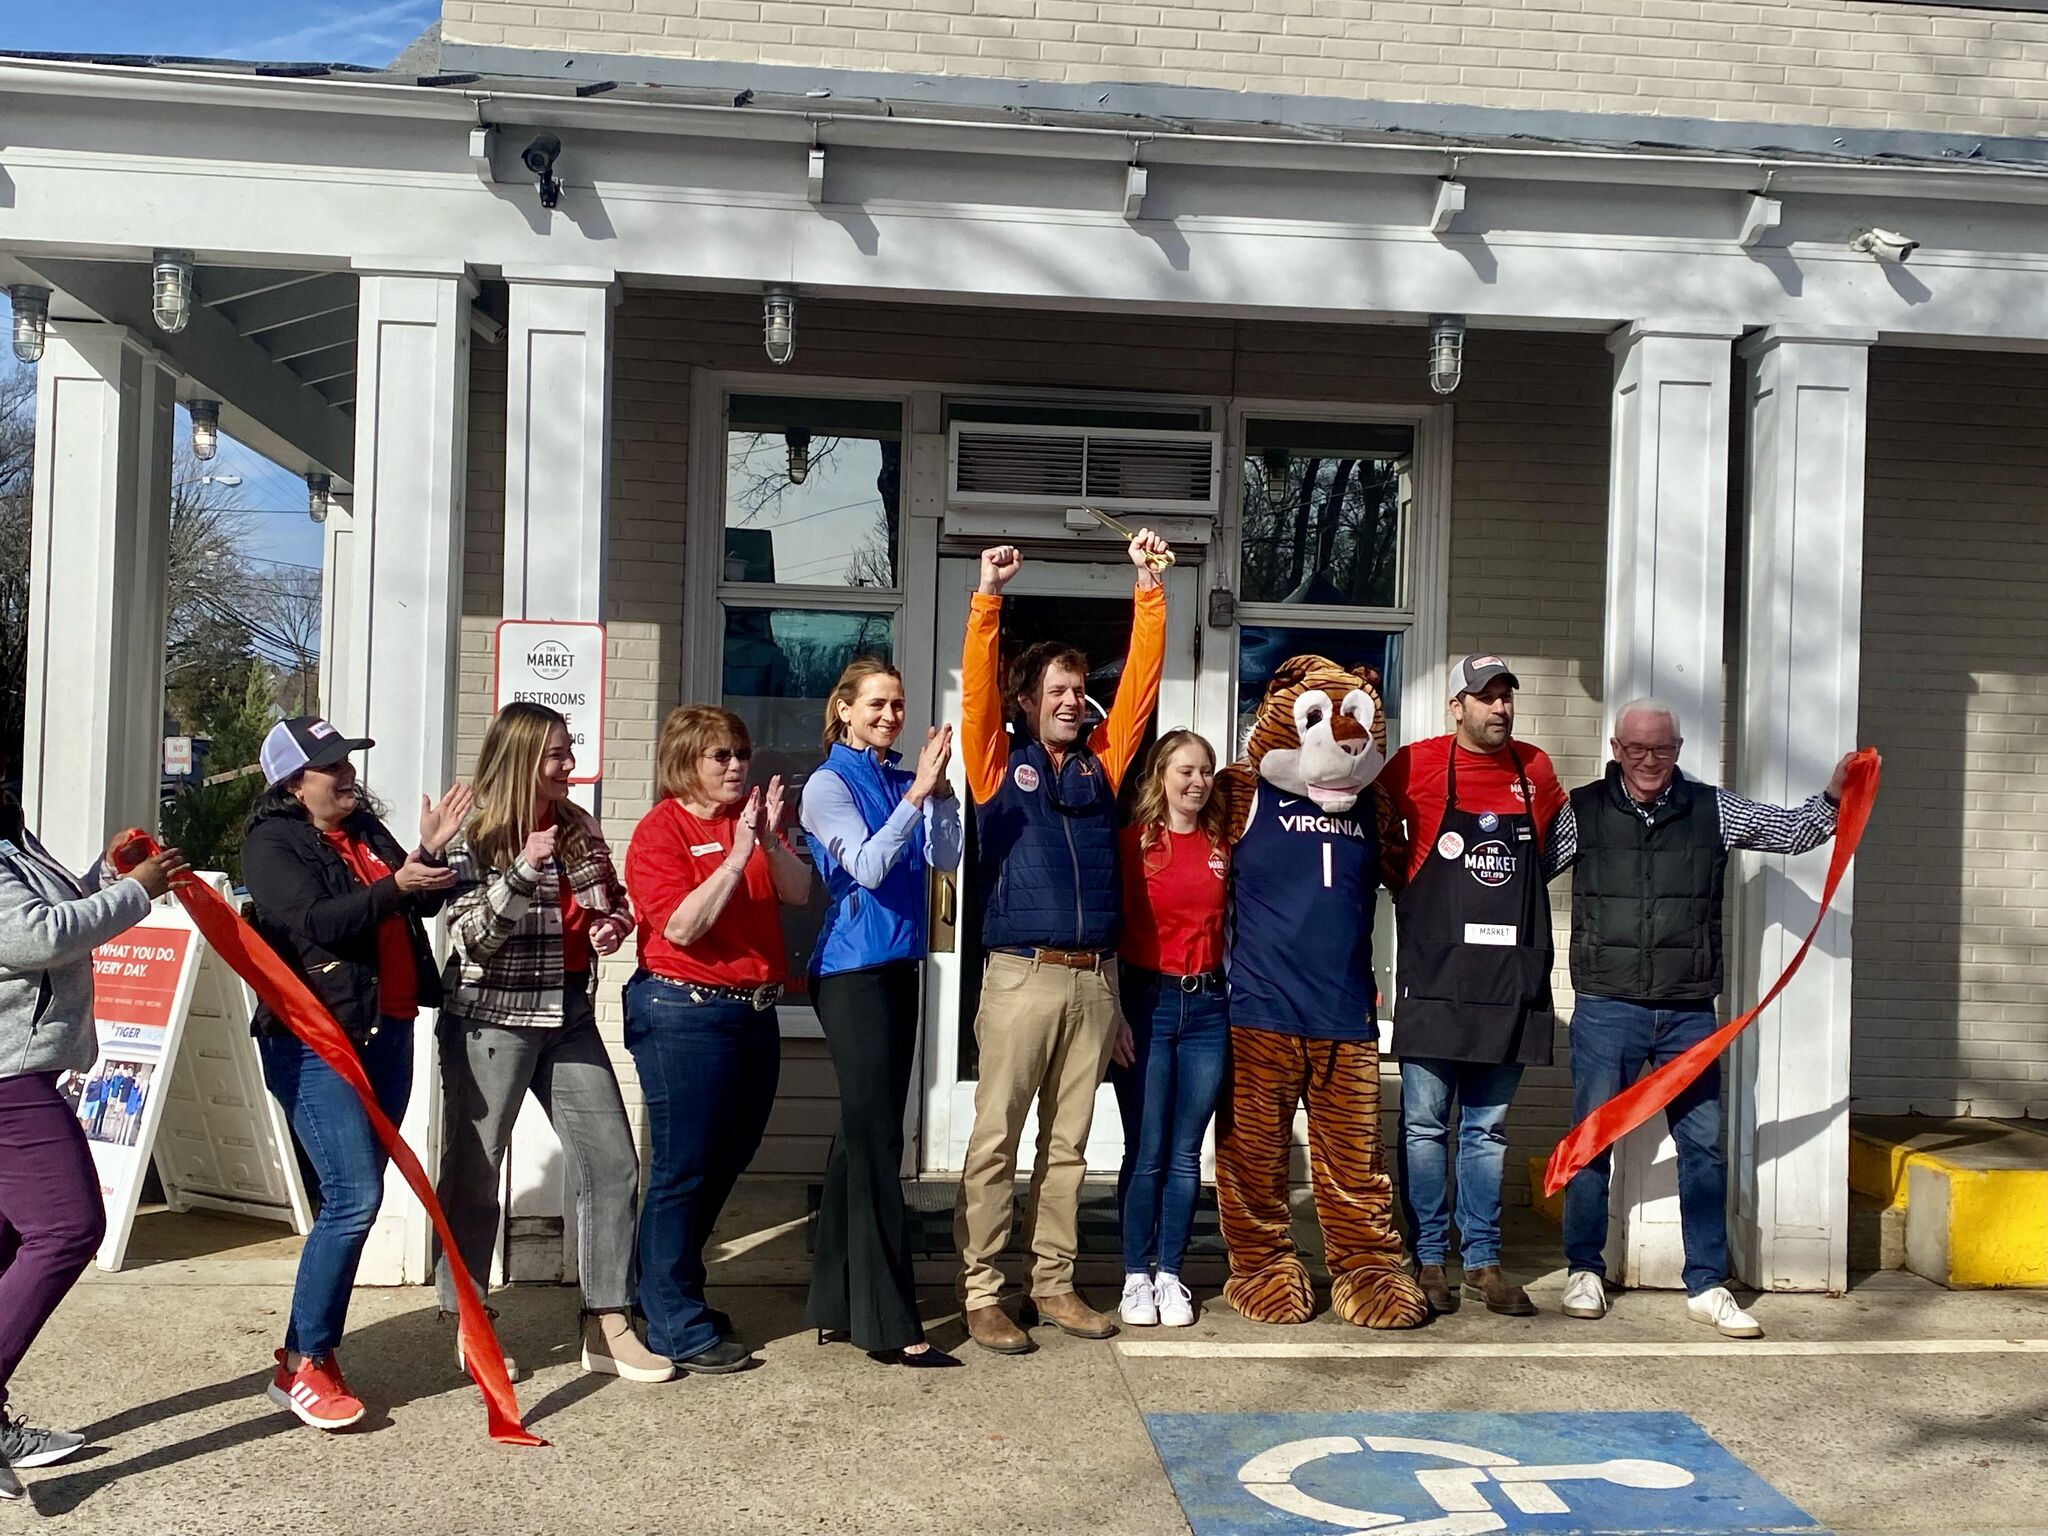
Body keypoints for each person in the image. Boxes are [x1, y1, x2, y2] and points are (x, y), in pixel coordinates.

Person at [1548, 698, 1853, 1339]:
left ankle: (1708, 1283)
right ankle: (1583, 1270)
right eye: (1636, 749)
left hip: (1688, 1010)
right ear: (1615, 749)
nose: (1649, 760)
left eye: (1661, 749)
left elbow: (1792, 832)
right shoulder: (1580, 811)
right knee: (1590, 1142)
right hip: (1607, 1004)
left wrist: (1833, 796)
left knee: (1704, 1148)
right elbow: (1518, 872)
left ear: (1679, 750)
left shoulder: (1713, 808)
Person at [954, 530, 1170, 1355]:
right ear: (1027, 700)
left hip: (1092, 980)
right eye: (1058, 690)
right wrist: (988, 598)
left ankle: (1052, 1284)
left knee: (1069, 1147)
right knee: (995, 1143)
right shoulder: (994, 764)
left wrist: (1148, 588)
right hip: (1022, 975)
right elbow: (976, 697)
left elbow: (1140, 689)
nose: (1075, 701)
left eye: (1080, 690)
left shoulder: (1100, 768)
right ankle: (982, 1293)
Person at [242, 716, 471, 1431]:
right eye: (331, 766)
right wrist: (399, 882)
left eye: (348, 761)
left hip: (387, 1031)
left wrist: (429, 854)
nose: (347, 775)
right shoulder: (272, 843)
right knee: (352, 1197)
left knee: (354, 1199)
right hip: (315, 1040)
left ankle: (306, 1355)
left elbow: (420, 897)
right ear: (292, 783)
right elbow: (317, 922)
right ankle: (306, 1362)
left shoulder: (364, 827)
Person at [435, 703, 670, 1384]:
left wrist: (611, 925)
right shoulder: (472, 832)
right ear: (521, 759)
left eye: (570, 752)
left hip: (567, 1012)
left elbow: (612, 900)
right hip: (492, 1017)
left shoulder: (576, 826)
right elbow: (471, 937)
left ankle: (607, 1322)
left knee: (613, 1162)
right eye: (557, 755)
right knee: (477, 1170)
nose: (570, 765)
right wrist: (522, 869)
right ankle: (470, 1321)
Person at [0, 801, 185, 1500]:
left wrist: (105, 877)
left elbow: (49, 913)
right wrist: (135, 891)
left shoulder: (11, 836)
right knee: (67, 1227)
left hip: (25, 1066)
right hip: (9, 1076)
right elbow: (36, 938)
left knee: (10, 1239)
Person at [1377, 654, 1566, 1319]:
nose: (1500, 708)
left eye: (1506, 696)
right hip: (1436, 980)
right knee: (1424, 1126)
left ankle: (1483, 1261)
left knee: (1487, 1130)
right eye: (1486, 697)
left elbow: (1551, 853)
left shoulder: (1536, 770)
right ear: (1456, 706)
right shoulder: (1414, 765)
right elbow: (1375, 832)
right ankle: (1429, 1258)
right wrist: (1406, 882)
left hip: (1507, 985)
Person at [623, 706, 809, 1375]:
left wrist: (767, 843)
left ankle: (665, 1291)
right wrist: (733, 859)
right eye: (719, 755)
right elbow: (680, 928)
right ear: (685, 762)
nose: (736, 766)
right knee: (684, 1167)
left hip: (751, 1012)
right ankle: (672, 1322)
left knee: (730, 1155)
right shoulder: (661, 830)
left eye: (740, 753)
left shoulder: (749, 821)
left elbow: (798, 892)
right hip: (685, 1010)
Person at [800, 659, 964, 1368]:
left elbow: (945, 859)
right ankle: (890, 1321)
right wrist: (916, 795)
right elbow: (865, 868)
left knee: (861, 1136)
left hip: (900, 968)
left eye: (898, 704)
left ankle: (836, 1301)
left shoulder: (902, 779)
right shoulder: (826, 784)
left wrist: (941, 797)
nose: (891, 716)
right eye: (876, 704)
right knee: (876, 1145)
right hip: (850, 975)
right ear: (843, 710)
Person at [1109, 731, 1230, 1330]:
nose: (1197, 782)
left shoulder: (1222, 846)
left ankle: (1170, 1274)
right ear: (1161, 775)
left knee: (1186, 1154)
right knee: (1147, 1148)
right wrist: (1113, 1012)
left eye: (1205, 771)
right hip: (1147, 1004)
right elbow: (1107, 932)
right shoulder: (1133, 845)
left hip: (1207, 1008)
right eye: (1185, 770)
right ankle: (1136, 1273)